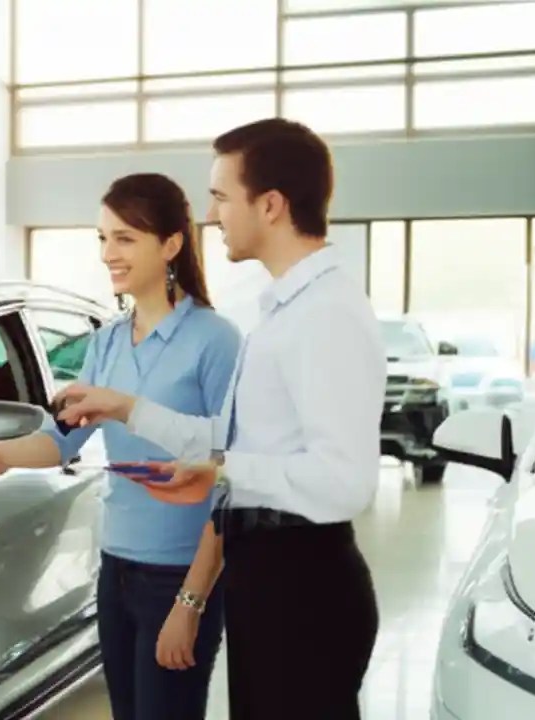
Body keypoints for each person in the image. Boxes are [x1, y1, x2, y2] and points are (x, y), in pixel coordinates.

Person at [55, 119, 386, 719]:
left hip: (305, 583)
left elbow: (346, 481)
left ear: (271, 205)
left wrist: (222, 470)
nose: (210, 217)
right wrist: (127, 408)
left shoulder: (326, 314)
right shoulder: (284, 310)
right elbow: (232, 439)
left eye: (221, 197)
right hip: (268, 575)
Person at [0, 173, 243, 720]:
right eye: (103, 238)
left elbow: (232, 479)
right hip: (115, 571)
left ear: (171, 245)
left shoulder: (216, 340)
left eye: (125, 239)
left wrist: (191, 601)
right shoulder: (108, 339)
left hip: (181, 575)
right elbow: (61, 440)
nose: (108, 253)